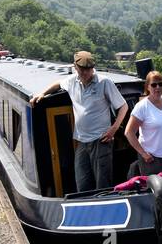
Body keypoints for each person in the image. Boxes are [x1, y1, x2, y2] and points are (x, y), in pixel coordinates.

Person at [29, 51, 128, 192]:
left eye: (89, 69)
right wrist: (43, 93)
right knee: (82, 183)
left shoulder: (104, 82)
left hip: (101, 141)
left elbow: (123, 106)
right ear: (75, 67)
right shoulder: (71, 81)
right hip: (82, 141)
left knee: (103, 184)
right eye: (83, 70)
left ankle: (103, 211)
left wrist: (114, 128)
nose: (87, 73)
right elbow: (58, 84)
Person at [124, 70, 162, 179]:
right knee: (155, 192)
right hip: (151, 159)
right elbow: (129, 132)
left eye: (161, 84)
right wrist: (143, 154)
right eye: (154, 84)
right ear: (148, 87)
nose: (157, 87)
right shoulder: (142, 107)